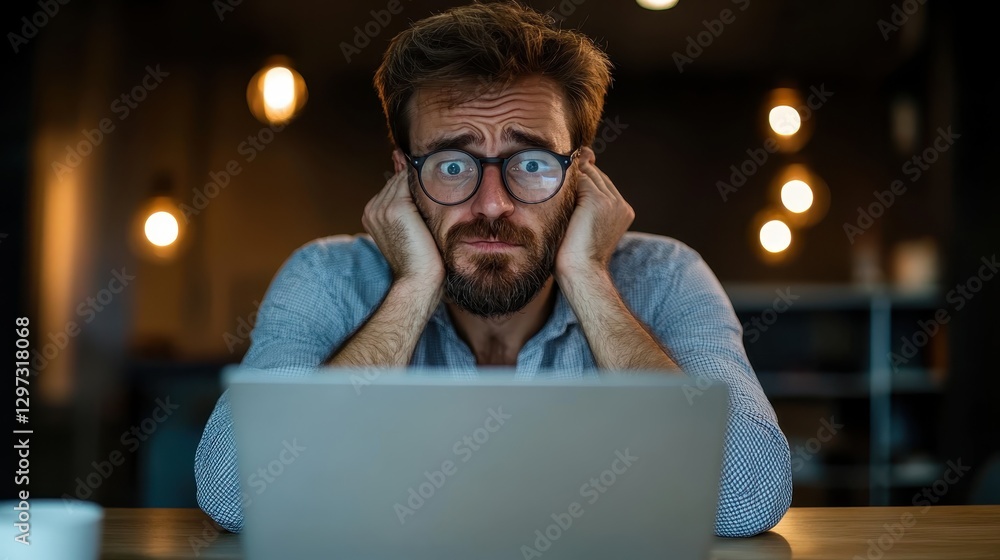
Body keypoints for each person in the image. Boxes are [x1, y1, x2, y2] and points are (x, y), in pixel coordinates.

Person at [195, 1, 792, 538]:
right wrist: (413, 287)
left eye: (530, 162)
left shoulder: (667, 275)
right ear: (403, 176)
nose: (491, 205)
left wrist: (587, 276)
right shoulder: (326, 277)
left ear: (580, 175)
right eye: (453, 165)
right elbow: (233, 495)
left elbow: (746, 497)